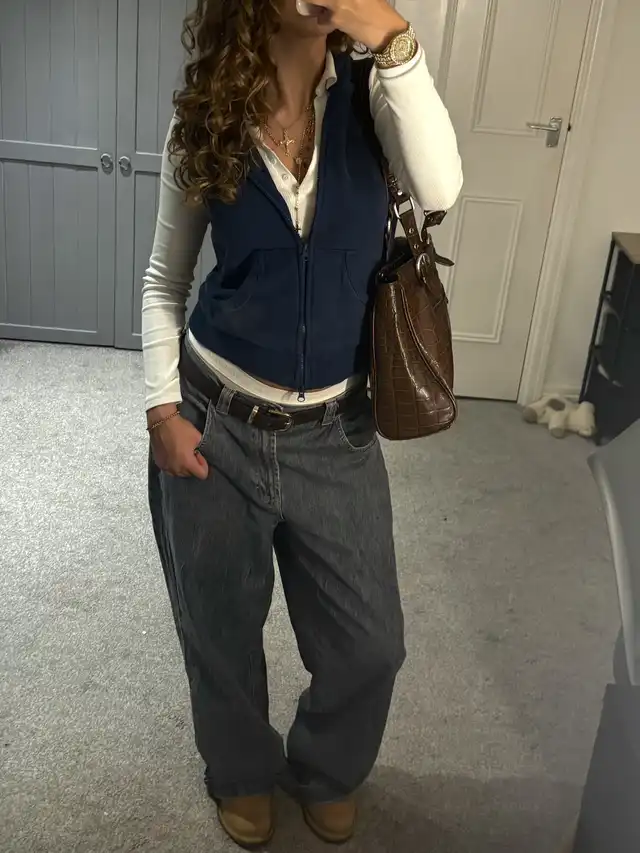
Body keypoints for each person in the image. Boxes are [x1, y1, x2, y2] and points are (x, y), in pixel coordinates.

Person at [143, 0, 462, 846]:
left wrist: (392, 38)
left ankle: (325, 766)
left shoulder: (375, 96)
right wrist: (162, 410)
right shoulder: (206, 117)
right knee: (218, 632)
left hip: (337, 431)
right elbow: (164, 279)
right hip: (215, 421)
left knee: (371, 644)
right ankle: (241, 771)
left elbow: (441, 190)